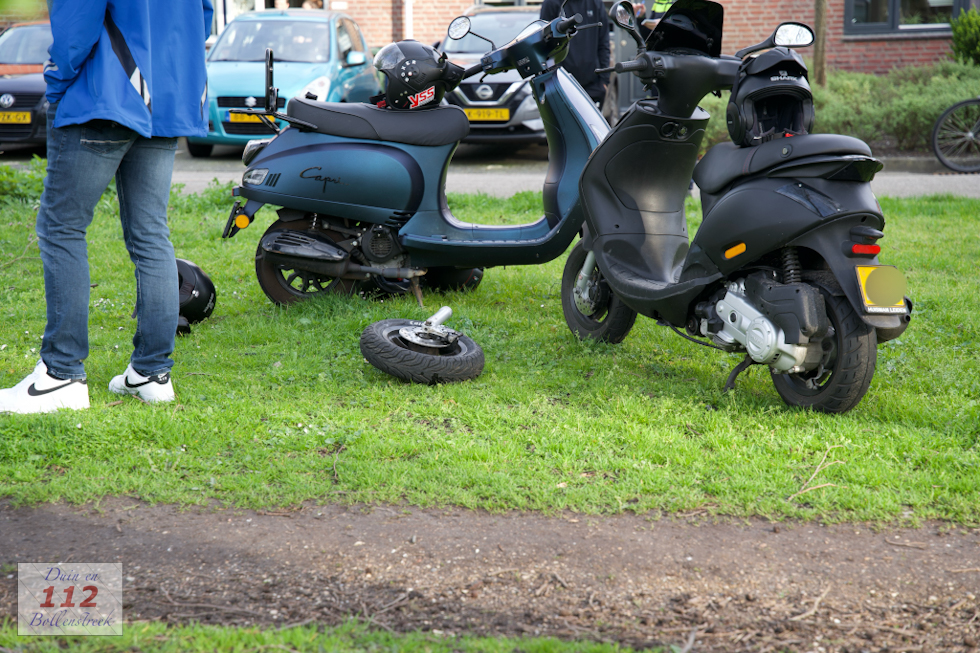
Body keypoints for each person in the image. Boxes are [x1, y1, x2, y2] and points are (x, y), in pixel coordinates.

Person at [0, 0, 213, 414]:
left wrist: (58, 82)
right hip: (166, 97)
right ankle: (151, 374)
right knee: (151, 233)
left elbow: (76, 21)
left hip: (104, 96)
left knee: (62, 228)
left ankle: (60, 375)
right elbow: (201, 17)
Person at [539, 0, 610, 107]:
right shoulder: (552, 3)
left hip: (592, 85)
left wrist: (604, 81)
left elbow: (604, 42)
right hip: (561, 85)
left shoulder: (596, 3)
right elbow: (543, 42)